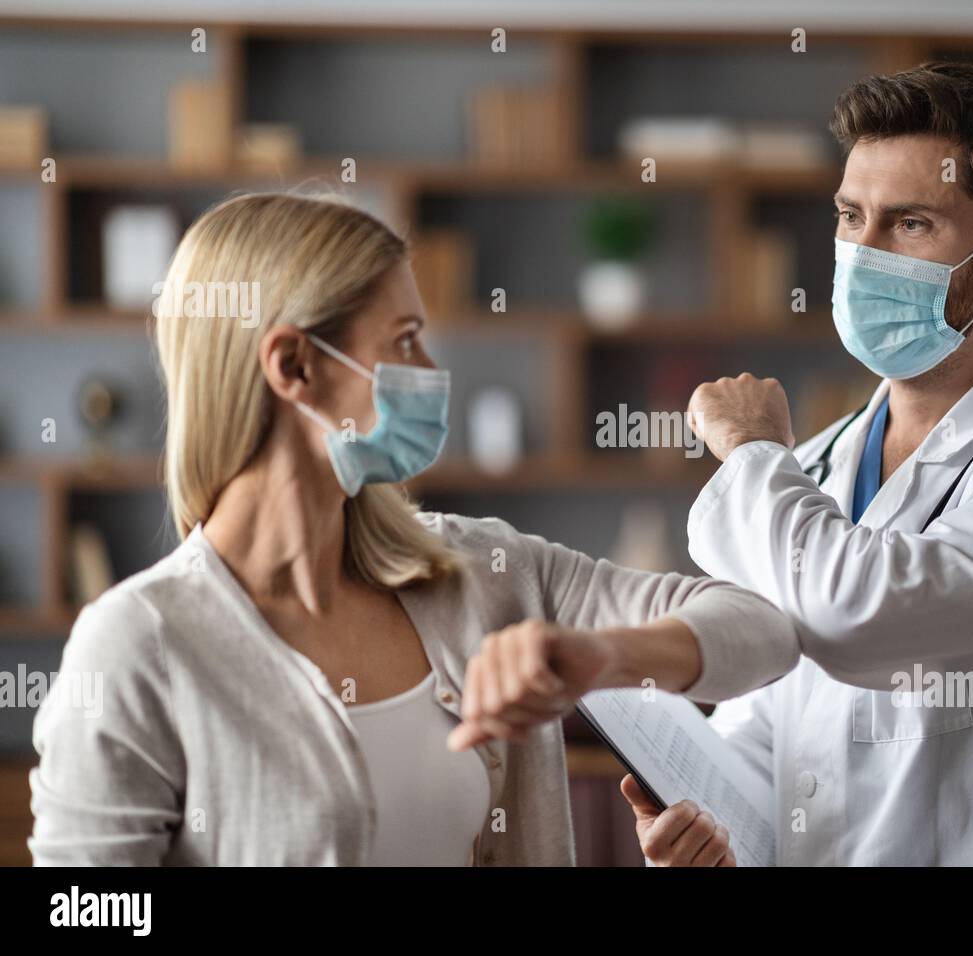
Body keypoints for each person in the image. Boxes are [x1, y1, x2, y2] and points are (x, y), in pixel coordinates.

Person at [27, 192, 799, 866]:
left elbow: (761, 631)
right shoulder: (138, 645)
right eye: (403, 341)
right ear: (294, 366)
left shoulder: (485, 570)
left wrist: (603, 656)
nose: (432, 366)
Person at [621, 62, 973, 865]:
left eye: (909, 224)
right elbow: (771, 725)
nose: (861, 256)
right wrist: (710, 828)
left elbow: (860, 615)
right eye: (849, 217)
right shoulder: (814, 465)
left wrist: (752, 450)